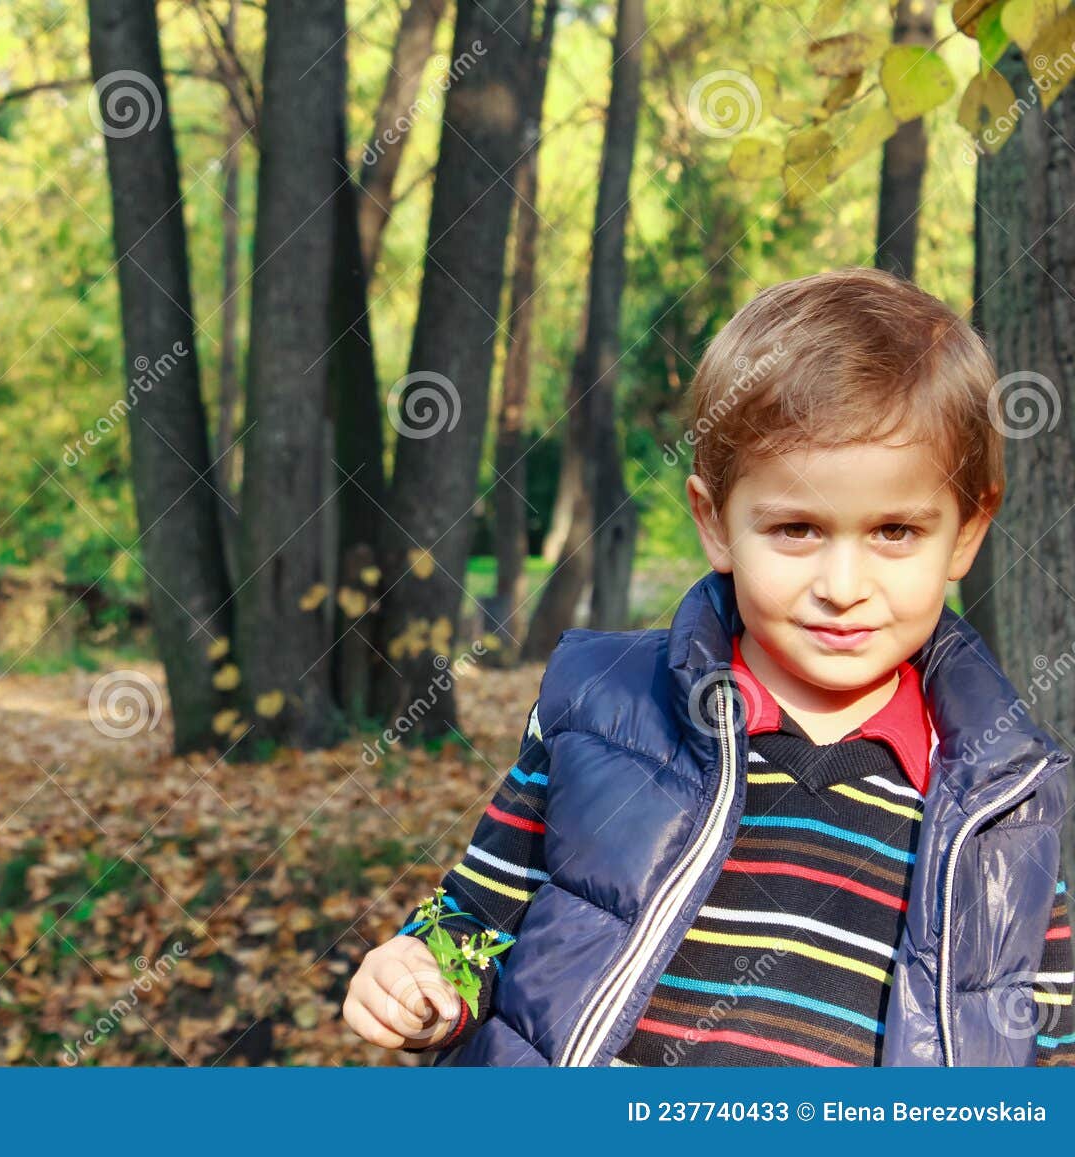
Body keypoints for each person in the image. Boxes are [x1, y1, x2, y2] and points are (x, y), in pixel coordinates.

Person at [344, 266, 1075, 1066]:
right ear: (716, 523)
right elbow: (473, 919)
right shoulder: (606, 714)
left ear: (966, 535)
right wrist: (416, 972)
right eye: (796, 528)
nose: (842, 587)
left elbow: (1045, 1045)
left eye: (895, 531)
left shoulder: (999, 807)